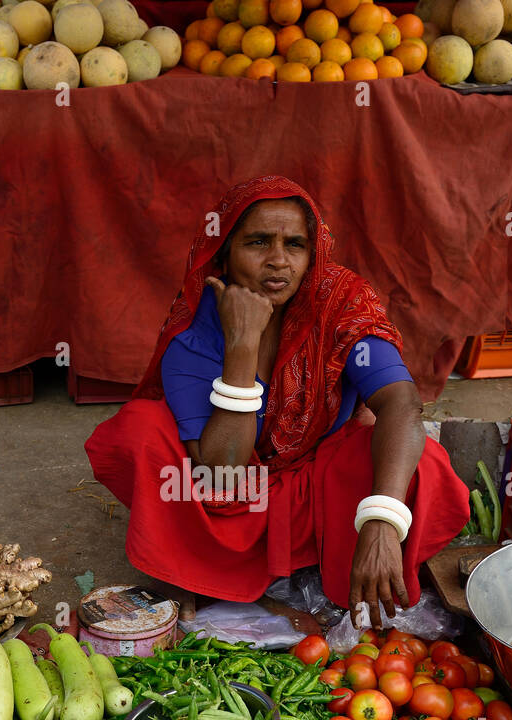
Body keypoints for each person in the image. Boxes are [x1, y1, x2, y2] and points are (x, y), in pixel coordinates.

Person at [85, 175, 469, 626]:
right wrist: (242, 348)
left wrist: (383, 518)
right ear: (224, 253)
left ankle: (352, 555)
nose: (278, 262)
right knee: (140, 432)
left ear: (314, 254)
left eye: (295, 245)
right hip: (236, 495)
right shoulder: (194, 333)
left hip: (320, 487)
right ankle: (199, 564)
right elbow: (223, 475)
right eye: (257, 242)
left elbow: (401, 403)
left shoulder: (339, 303)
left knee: (421, 464)